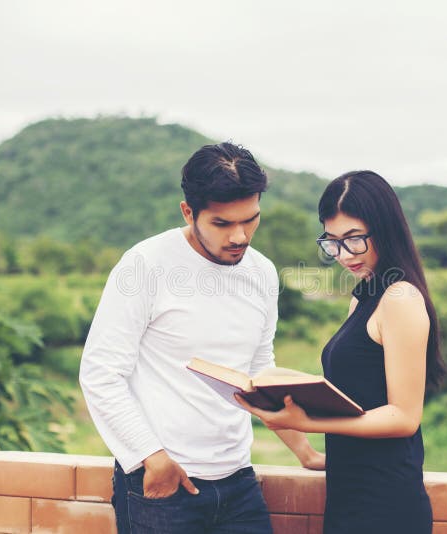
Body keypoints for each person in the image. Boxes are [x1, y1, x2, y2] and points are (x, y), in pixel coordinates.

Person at [79, 142, 324, 534]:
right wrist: (152, 457)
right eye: (222, 224)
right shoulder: (145, 265)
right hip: (163, 481)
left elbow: (260, 371)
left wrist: (304, 451)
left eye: (251, 220)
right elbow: (100, 373)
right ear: (188, 212)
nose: (240, 237)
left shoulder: (261, 272)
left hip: (238, 479)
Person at [237, 170, 447, 533]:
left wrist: (308, 423)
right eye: (332, 242)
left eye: (354, 239)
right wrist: (276, 381)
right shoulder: (363, 297)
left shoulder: (400, 298)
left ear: (384, 228)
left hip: (386, 503)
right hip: (349, 493)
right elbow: (355, 391)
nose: (343, 254)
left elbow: (403, 417)